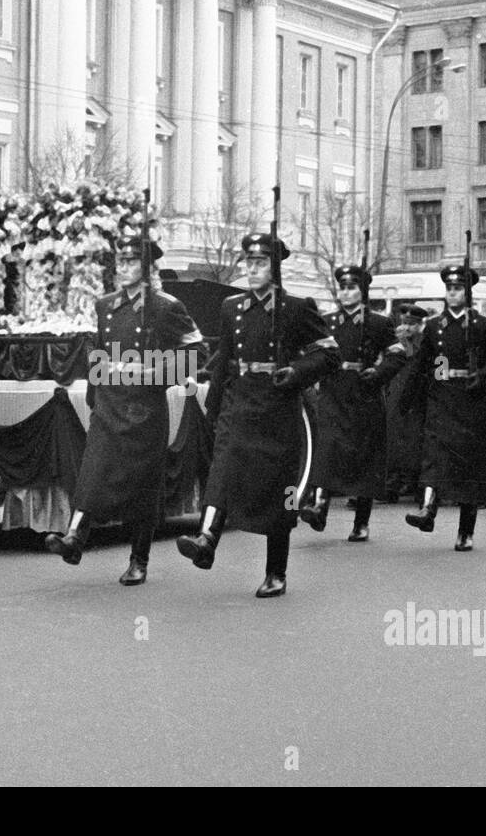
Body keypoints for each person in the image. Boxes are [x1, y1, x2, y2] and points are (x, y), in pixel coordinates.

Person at [174, 233, 339, 597]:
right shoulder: (232, 307)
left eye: (260, 263)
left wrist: (296, 371)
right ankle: (207, 539)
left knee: (277, 491)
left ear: (275, 268)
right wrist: (213, 407)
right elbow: (223, 363)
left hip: (278, 408)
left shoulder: (297, 308)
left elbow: (329, 354)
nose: (252, 269)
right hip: (240, 402)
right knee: (223, 469)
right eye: (248, 263)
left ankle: (276, 572)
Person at [44, 235, 202, 586]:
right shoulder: (106, 306)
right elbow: (98, 353)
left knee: (143, 487)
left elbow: (196, 352)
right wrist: (94, 397)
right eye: (121, 261)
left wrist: (156, 373)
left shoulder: (165, 307)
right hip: (110, 405)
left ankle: (139, 560)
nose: (124, 267)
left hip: (144, 409)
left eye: (132, 261)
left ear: (147, 269)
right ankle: (75, 539)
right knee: (93, 472)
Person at [399, 265, 486, 552]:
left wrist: (483, 375)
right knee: (434, 456)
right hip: (441, 398)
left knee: (469, 466)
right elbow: (424, 364)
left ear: (468, 292)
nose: (452, 293)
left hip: (471, 401)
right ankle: (427, 510)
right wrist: (406, 400)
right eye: (449, 288)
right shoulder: (435, 325)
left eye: (458, 288)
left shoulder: (484, 324)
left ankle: (466, 530)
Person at [298, 264, 406, 542]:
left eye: (352, 287)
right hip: (333, 392)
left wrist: (378, 374)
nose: (346, 293)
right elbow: (312, 353)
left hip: (364, 394)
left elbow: (397, 355)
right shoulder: (327, 322)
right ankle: (319, 506)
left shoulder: (379, 323)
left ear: (362, 291)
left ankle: (361, 522)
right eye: (343, 287)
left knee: (365, 459)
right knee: (327, 450)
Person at [384, 304, 429, 502]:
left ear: (419, 325)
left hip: (418, 397)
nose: (406, 328)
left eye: (411, 325)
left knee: (415, 442)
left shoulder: (425, 342)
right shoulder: (396, 342)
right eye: (404, 323)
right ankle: (393, 482)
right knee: (394, 439)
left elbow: (421, 361)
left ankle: (415, 483)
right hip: (396, 393)